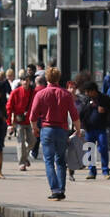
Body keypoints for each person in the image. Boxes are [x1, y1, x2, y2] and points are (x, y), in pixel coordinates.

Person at [28, 67, 82, 200]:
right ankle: (62, 189)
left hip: (47, 129)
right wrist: (78, 129)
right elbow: (74, 115)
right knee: (61, 160)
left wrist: (34, 128)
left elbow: (33, 115)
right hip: (62, 130)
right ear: (58, 78)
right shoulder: (66, 94)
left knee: (49, 161)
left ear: (47, 78)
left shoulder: (40, 94)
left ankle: (55, 189)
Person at [80, 81, 110, 179]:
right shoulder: (86, 99)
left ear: (93, 91)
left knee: (103, 148)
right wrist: (89, 106)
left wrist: (105, 110)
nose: (86, 94)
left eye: (88, 92)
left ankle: (105, 171)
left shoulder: (104, 99)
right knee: (90, 150)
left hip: (101, 128)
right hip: (89, 128)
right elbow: (82, 112)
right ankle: (91, 171)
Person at [7, 72, 38, 171]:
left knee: (33, 141)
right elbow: (9, 108)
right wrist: (9, 123)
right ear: (21, 81)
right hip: (19, 121)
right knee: (20, 142)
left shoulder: (34, 93)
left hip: (30, 121)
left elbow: (37, 106)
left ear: (30, 81)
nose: (25, 82)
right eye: (24, 80)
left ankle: (24, 157)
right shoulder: (15, 92)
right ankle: (22, 163)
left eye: (27, 80)